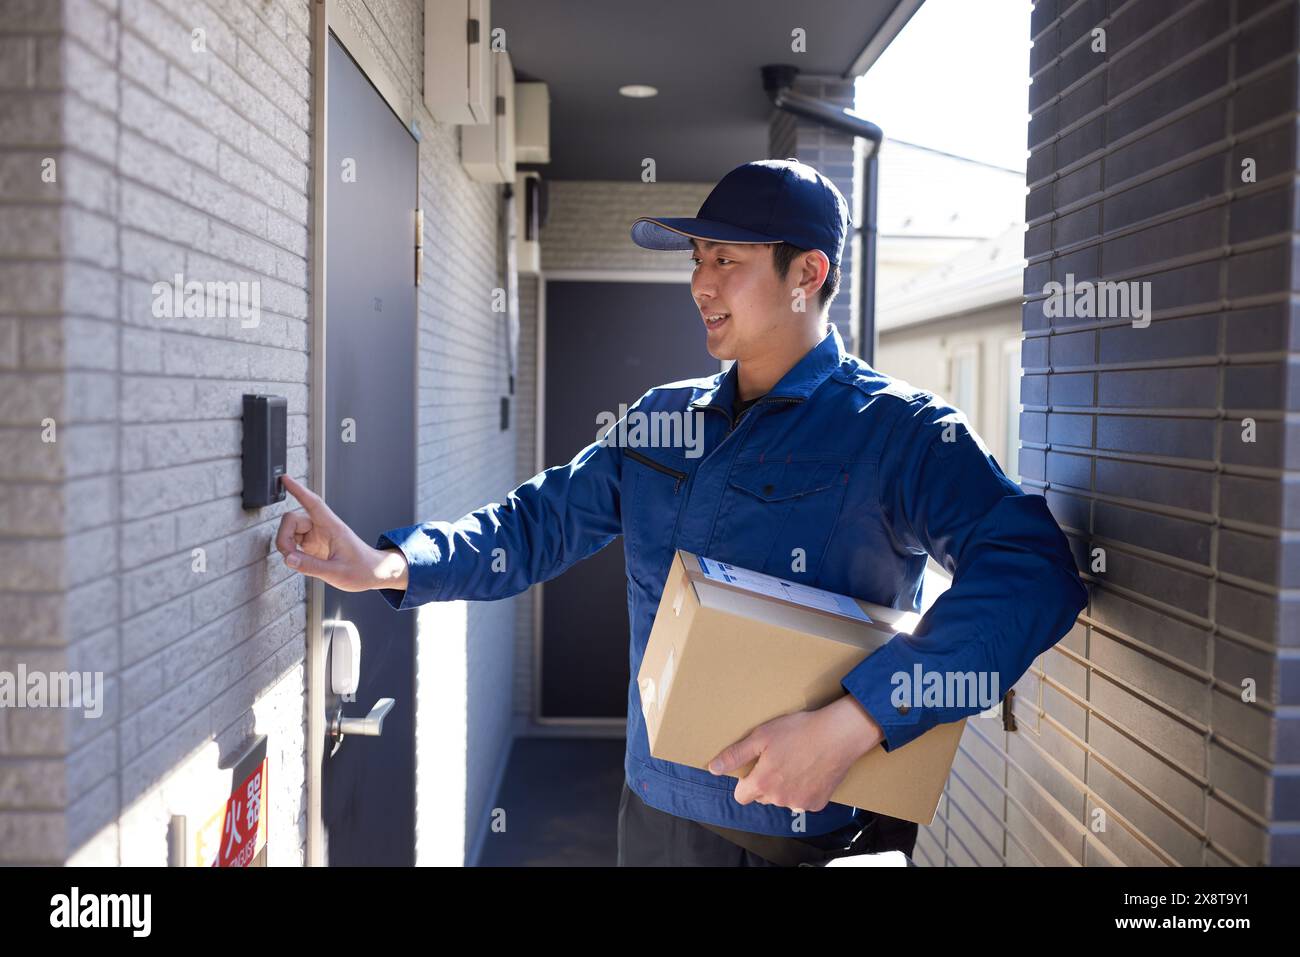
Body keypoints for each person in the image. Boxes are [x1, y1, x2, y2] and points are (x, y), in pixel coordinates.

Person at [276, 158, 1088, 867]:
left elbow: (1035, 574)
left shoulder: (901, 432)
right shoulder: (662, 422)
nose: (700, 282)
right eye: (699, 259)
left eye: (726, 260)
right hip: (657, 820)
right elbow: (537, 523)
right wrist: (388, 563)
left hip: (810, 834)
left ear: (807, 273)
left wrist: (858, 720)